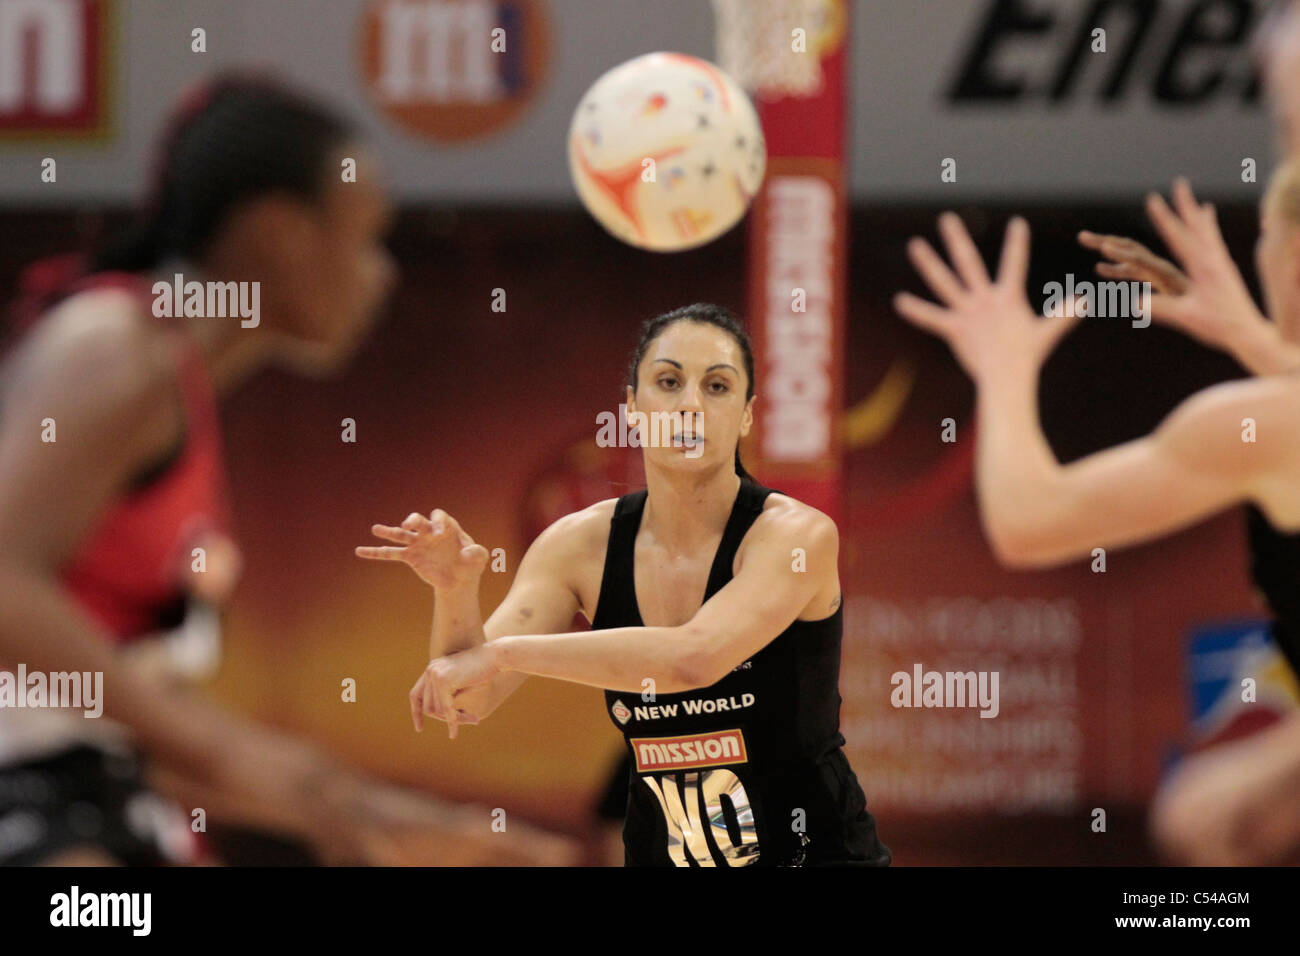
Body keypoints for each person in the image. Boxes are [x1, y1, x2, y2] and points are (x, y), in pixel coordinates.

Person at [0, 71, 573, 867]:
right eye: (367, 237)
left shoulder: (170, 382)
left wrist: (370, 815)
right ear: (278, 231)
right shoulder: (114, 345)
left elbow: (119, 720)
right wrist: (230, 753)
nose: (384, 274)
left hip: (87, 796)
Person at [358, 304, 891, 867]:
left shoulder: (795, 535)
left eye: (716, 386)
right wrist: (455, 591)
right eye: (668, 382)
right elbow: (467, 697)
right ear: (633, 408)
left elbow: (693, 659)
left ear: (747, 416)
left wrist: (504, 653)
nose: (690, 404)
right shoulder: (577, 546)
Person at [892, 164, 1300, 865]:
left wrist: (1004, 365)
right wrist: (1259, 345)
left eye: (1268, 241)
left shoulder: (1263, 426)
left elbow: (1031, 519)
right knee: (1211, 816)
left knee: (1204, 821)